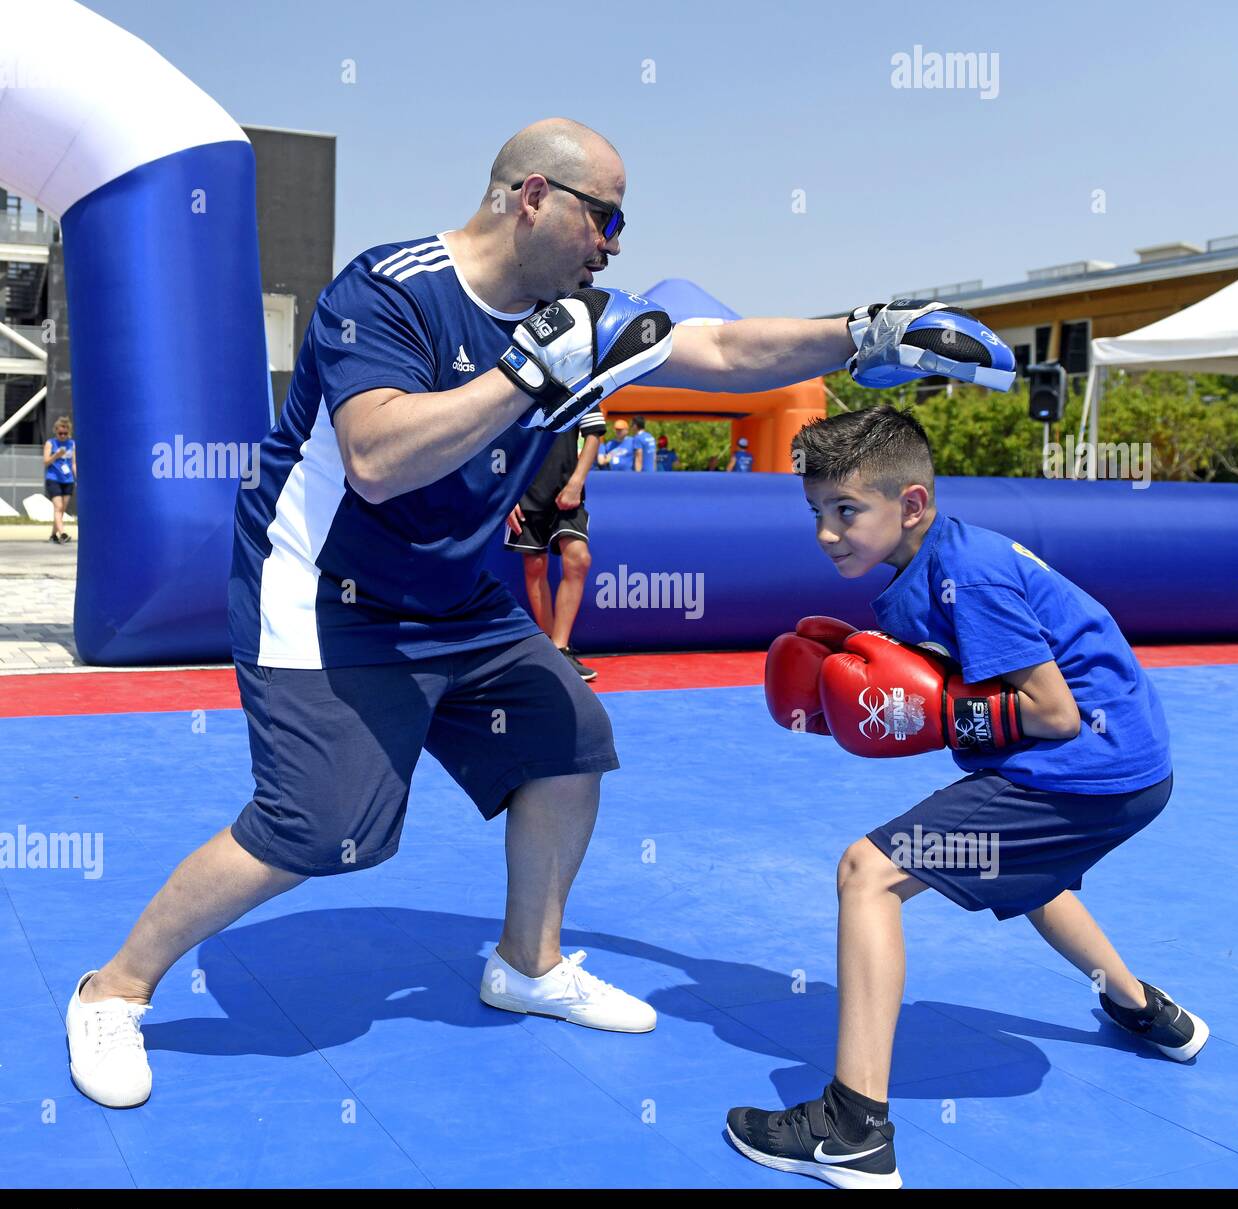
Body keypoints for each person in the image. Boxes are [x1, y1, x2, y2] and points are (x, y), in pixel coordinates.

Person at [66, 116, 877, 1110]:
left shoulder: (577, 316)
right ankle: (113, 988)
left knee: (567, 742)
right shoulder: (387, 289)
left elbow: (715, 344)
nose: (614, 243)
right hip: (327, 590)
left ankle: (527, 963)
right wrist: (528, 370)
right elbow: (375, 460)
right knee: (317, 827)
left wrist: (863, 329)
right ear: (531, 196)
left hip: (457, 595)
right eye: (604, 217)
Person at [726, 405, 1202, 1189]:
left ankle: (854, 1130)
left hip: (1087, 765)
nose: (826, 532)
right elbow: (978, 694)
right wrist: (854, 709)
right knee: (1021, 868)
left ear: (911, 504)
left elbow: (1054, 713)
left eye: (847, 511)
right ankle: (1146, 1009)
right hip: (1124, 766)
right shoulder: (934, 560)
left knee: (866, 872)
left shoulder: (966, 575)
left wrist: (932, 712)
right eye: (816, 512)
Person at [505, 407, 605, 681]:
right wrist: (507, 493)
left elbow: (594, 433)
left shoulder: (579, 381)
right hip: (525, 491)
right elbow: (500, 439)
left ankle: (561, 647)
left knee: (579, 559)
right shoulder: (515, 381)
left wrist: (576, 482)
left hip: (567, 493)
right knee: (535, 566)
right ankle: (551, 649)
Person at [42, 415, 76, 543]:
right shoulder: (50, 443)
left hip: (68, 480)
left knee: (62, 509)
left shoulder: (72, 444)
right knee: (58, 507)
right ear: (56, 431)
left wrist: (76, 478)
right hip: (53, 478)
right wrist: (56, 455)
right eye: (60, 433)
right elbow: (46, 462)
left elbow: (73, 463)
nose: (62, 436)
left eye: (65, 433)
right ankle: (63, 533)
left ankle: (53, 535)